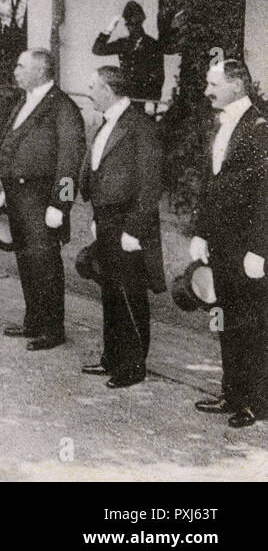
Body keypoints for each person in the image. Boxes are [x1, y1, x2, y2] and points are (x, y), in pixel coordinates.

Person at [190, 60, 268, 426]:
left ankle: (257, 402)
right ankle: (231, 393)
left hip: (246, 246)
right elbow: (210, 185)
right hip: (220, 241)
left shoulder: (259, 129)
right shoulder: (219, 123)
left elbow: (265, 195)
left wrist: (259, 248)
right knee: (224, 318)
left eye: (214, 84)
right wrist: (200, 231)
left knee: (252, 323)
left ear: (237, 85)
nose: (207, 91)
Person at [0, 49, 86, 350]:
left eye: (21, 66)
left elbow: (71, 162)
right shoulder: (26, 99)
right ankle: (33, 320)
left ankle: (52, 329)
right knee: (26, 259)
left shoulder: (63, 107)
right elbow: (13, 144)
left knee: (45, 263)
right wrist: (6, 185)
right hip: (19, 194)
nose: (16, 71)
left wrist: (61, 203)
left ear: (40, 71)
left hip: (43, 198)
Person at [79, 65, 165, 389]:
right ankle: (112, 358)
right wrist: (96, 215)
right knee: (111, 291)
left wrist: (135, 229)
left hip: (128, 222)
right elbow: (98, 171)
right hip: (106, 218)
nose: (88, 91)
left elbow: (150, 183)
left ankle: (133, 366)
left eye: (92, 86)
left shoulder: (140, 126)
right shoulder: (106, 123)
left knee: (130, 294)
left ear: (108, 89)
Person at [92, 0, 164, 102]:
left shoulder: (152, 45)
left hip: (143, 98)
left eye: (135, 24)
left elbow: (158, 77)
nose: (131, 28)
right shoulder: (123, 43)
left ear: (141, 23)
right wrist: (111, 27)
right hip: (124, 96)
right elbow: (97, 50)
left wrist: (152, 102)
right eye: (129, 24)